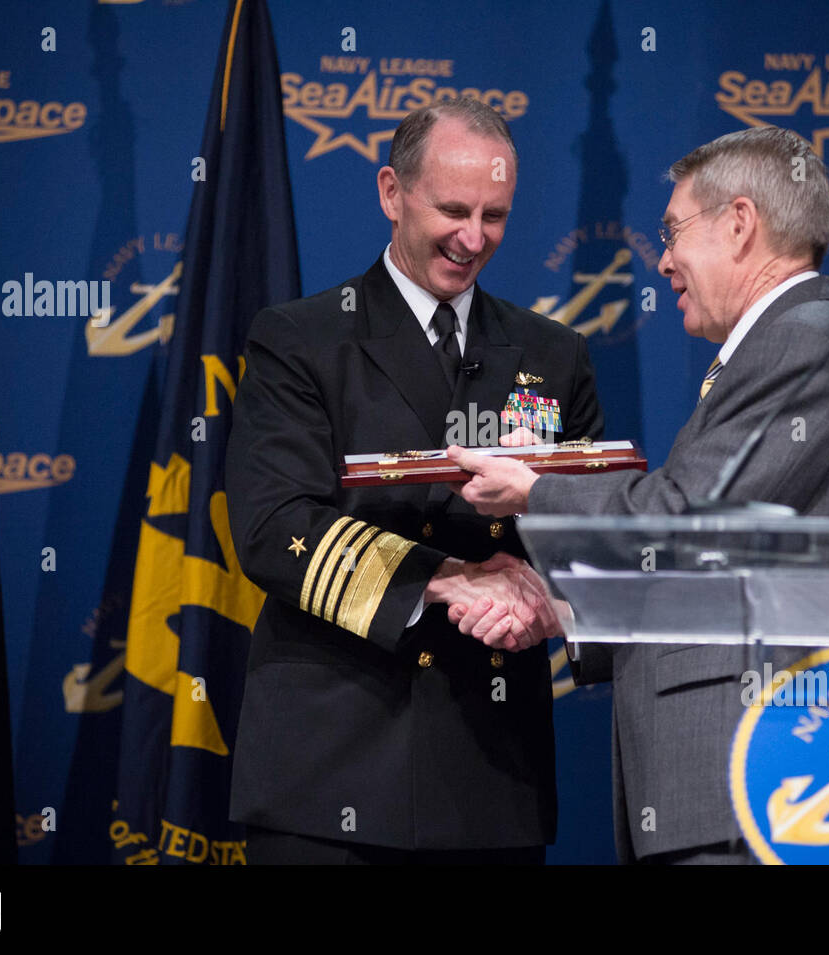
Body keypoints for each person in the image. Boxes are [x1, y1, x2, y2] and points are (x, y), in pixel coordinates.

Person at [447, 126, 829, 864]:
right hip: (736, 787)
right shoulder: (791, 343)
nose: (662, 260)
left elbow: (683, 517)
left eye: (672, 232)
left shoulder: (807, 341)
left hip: (757, 781)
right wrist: (565, 615)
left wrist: (534, 491)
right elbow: (719, 565)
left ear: (739, 224)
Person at [224, 98, 603, 864]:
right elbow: (274, 529)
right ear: (392, 193)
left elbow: (592, 532)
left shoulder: (554, 353)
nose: (473, 238)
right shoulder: (301, 339)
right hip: (330, 774)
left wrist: (541, 597)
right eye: (453, 209)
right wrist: (450, 579)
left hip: (490, 774)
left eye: (494, 215)